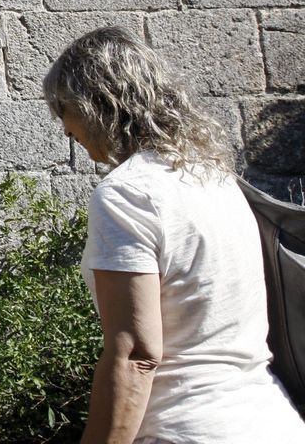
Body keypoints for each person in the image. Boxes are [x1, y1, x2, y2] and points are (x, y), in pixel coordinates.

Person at [43, 26, 305, 443]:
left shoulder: (127, 194)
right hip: (270, 421)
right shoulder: (215, 178)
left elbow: (135, 355)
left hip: (186, 427)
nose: (64, 130)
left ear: (95, 104)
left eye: (63, 109)